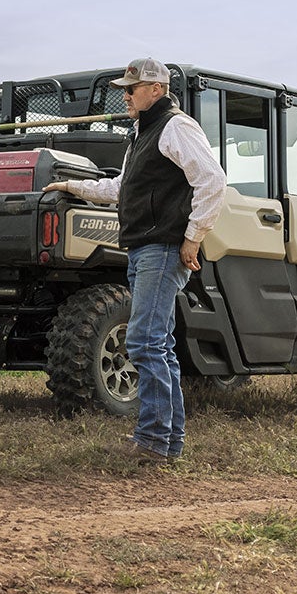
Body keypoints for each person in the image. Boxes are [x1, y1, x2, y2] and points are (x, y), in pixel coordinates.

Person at [43, 58, 224, 463]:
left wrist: (193, 238)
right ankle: (166, 441)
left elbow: (212, 180)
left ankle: (154, 442)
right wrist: (72, 186)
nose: (125, 94)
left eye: (132, 88)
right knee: (158, 344)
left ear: (156, 89)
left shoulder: (176, 126)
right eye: (125, 88)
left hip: (162, 249)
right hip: (144, 249)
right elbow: (121, 187)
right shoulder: (142, 133)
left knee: (143, 342)